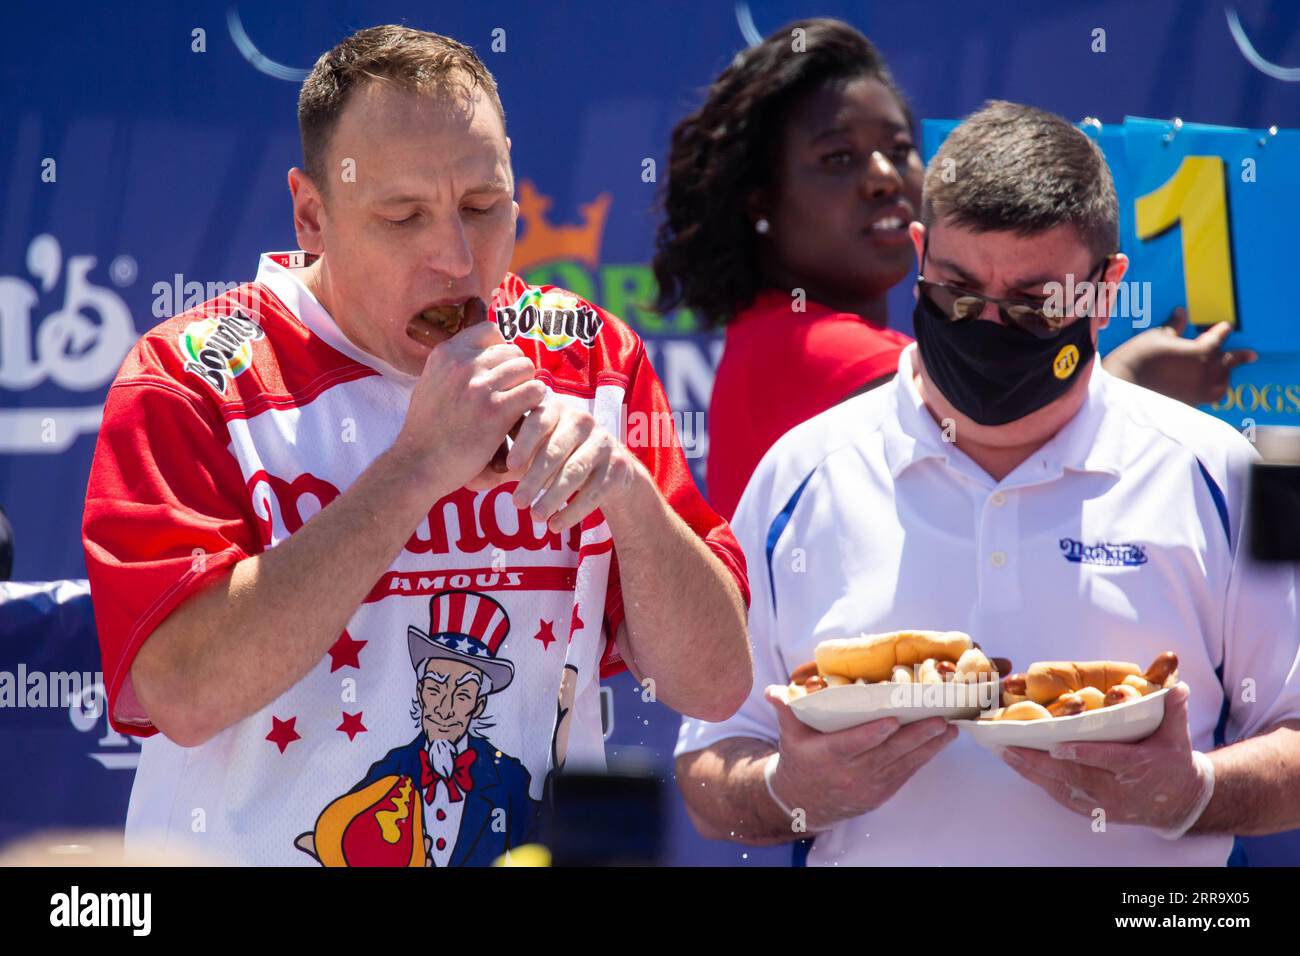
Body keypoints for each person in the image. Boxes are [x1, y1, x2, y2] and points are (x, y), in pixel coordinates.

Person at [81, 25, 751, 866]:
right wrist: (413, 471)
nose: (459, 259)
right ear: (312, 215)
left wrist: (625, 493)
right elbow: (181, 691)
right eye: (404, 217)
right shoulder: (194, 378)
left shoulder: (590, 357)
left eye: (482, 205)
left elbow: (718, 681)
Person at [674, 100, 1300, 866]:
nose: (989, 328)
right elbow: (708, 764)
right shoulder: (801, 474)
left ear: (1105, 291)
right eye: (958, 295)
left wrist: (1194, 791)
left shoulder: (1232, 473)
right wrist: (787, 790)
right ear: (919, 252)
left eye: (1037, 306)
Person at [652, 18, 1257, 520]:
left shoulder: (770, 332)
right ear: (762, 200)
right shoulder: (815, 348)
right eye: (837, 157)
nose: (884, 178)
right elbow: (1000, 426)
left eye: (897, 149)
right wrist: (1137, 377)